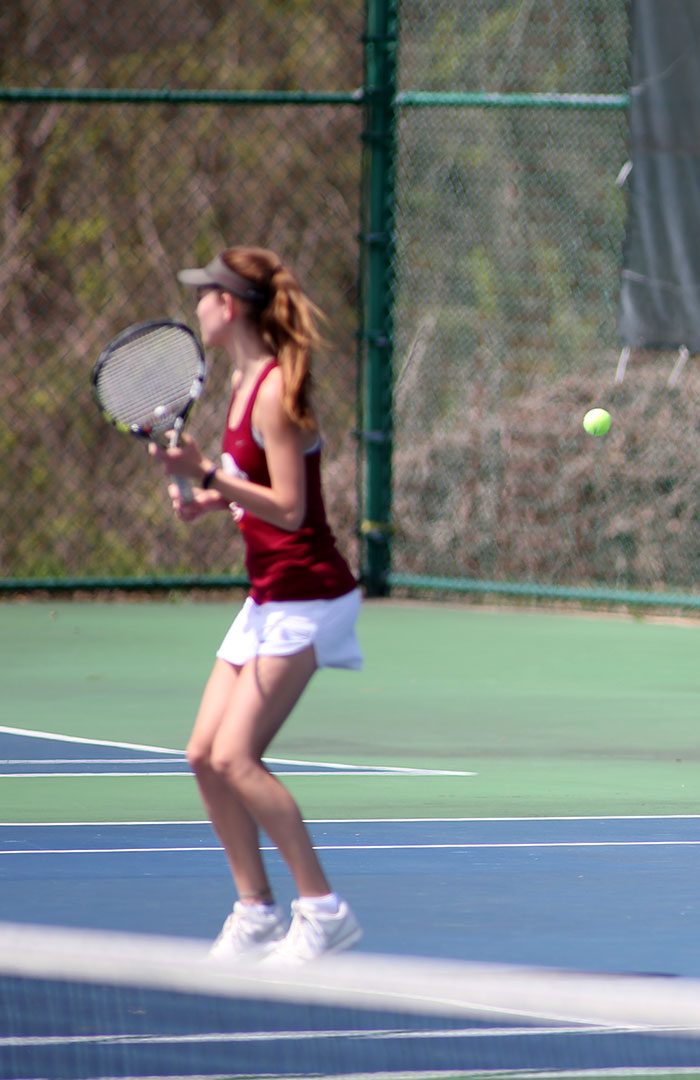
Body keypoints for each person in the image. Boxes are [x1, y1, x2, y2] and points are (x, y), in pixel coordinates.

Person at [152, 247, 366, 961]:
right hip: (269, 596)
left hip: (311, 596)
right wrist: (205, 497)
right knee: (203, 756)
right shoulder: (241, 381)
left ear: (232, 304)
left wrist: (209, 471)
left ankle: (325, 910)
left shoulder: (273, 388)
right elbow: (251, 494)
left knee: (240, 758)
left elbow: (288, 505)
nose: (198, 306)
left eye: (205, 294)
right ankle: (256, 912)